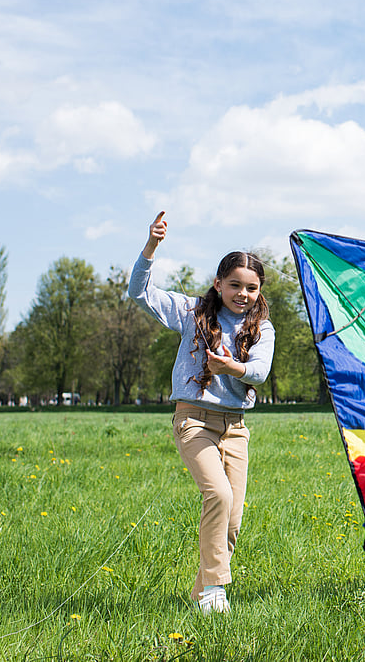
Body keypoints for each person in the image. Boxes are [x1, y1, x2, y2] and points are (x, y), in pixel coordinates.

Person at [128, 211, 275, 614]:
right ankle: (215, 593)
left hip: (236, 428)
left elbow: (259, 372)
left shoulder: (262, 327)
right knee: (219, 495)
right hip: (194, 420)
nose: (242, 294)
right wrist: (152, 247)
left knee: (232, 521)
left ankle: (201, 593)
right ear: (218, 283)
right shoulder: (192, 313)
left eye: (251, 288)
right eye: (234, 285)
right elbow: (140, 293)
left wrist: (231, 367)